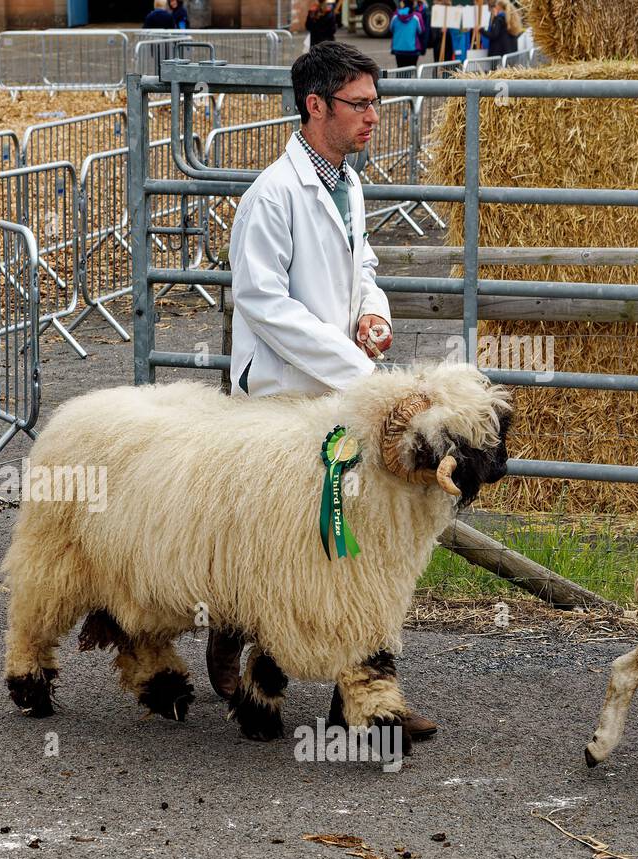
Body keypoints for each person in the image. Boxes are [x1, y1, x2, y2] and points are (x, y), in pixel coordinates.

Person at [214, 43, 437, 740]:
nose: (375, 116)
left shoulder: (347, 182)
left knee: (343, 546)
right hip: (285, 401)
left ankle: (354, 699)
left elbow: (360, 261)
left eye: (376, 102)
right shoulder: (273, 194)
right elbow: (262, 300)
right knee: (293, 549)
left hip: (334, 397)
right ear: (316, 106)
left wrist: (373, 312)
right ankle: (236, 634)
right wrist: (358, 370)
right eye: (360, 104)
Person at [390, 1, 422, 68]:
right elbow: (421, 31)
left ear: (402, 3)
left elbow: (391, 29)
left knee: (400, 70)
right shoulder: (417, 16)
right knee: (410, 72)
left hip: (398, 48)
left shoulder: (395, 16)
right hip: (412, 49)